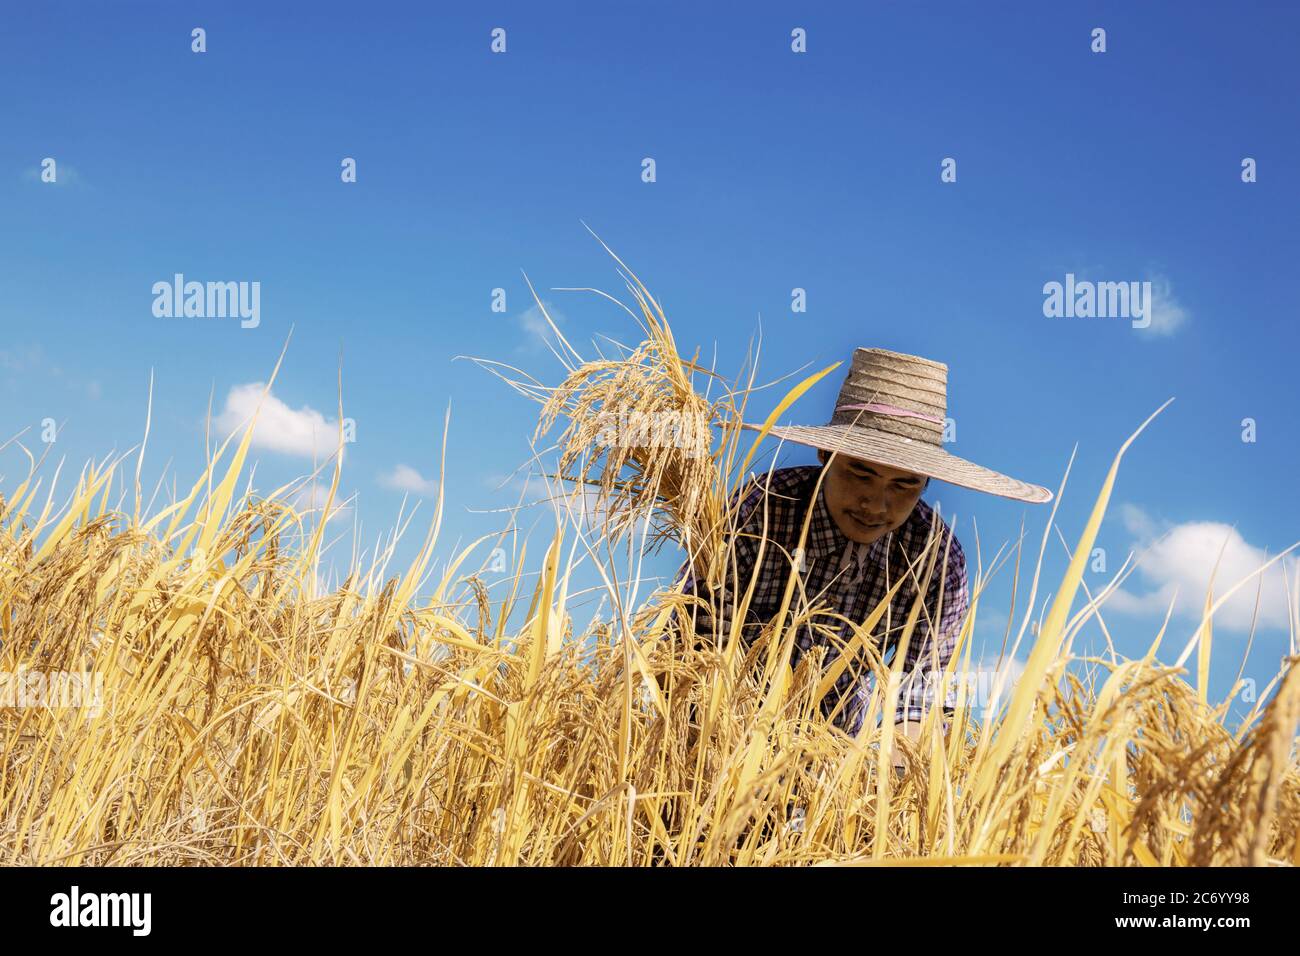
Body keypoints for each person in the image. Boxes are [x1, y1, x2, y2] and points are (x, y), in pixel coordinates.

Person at [669, 346, 1053, 770]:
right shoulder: (759, 509)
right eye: (861, 472)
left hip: (829, 767)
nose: (876, 502)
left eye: (903, 485)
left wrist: (882, 790)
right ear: (826, 456)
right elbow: (693, 648)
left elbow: (917, 695)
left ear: (927, 482)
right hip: (706, 748)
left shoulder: (938, 562)